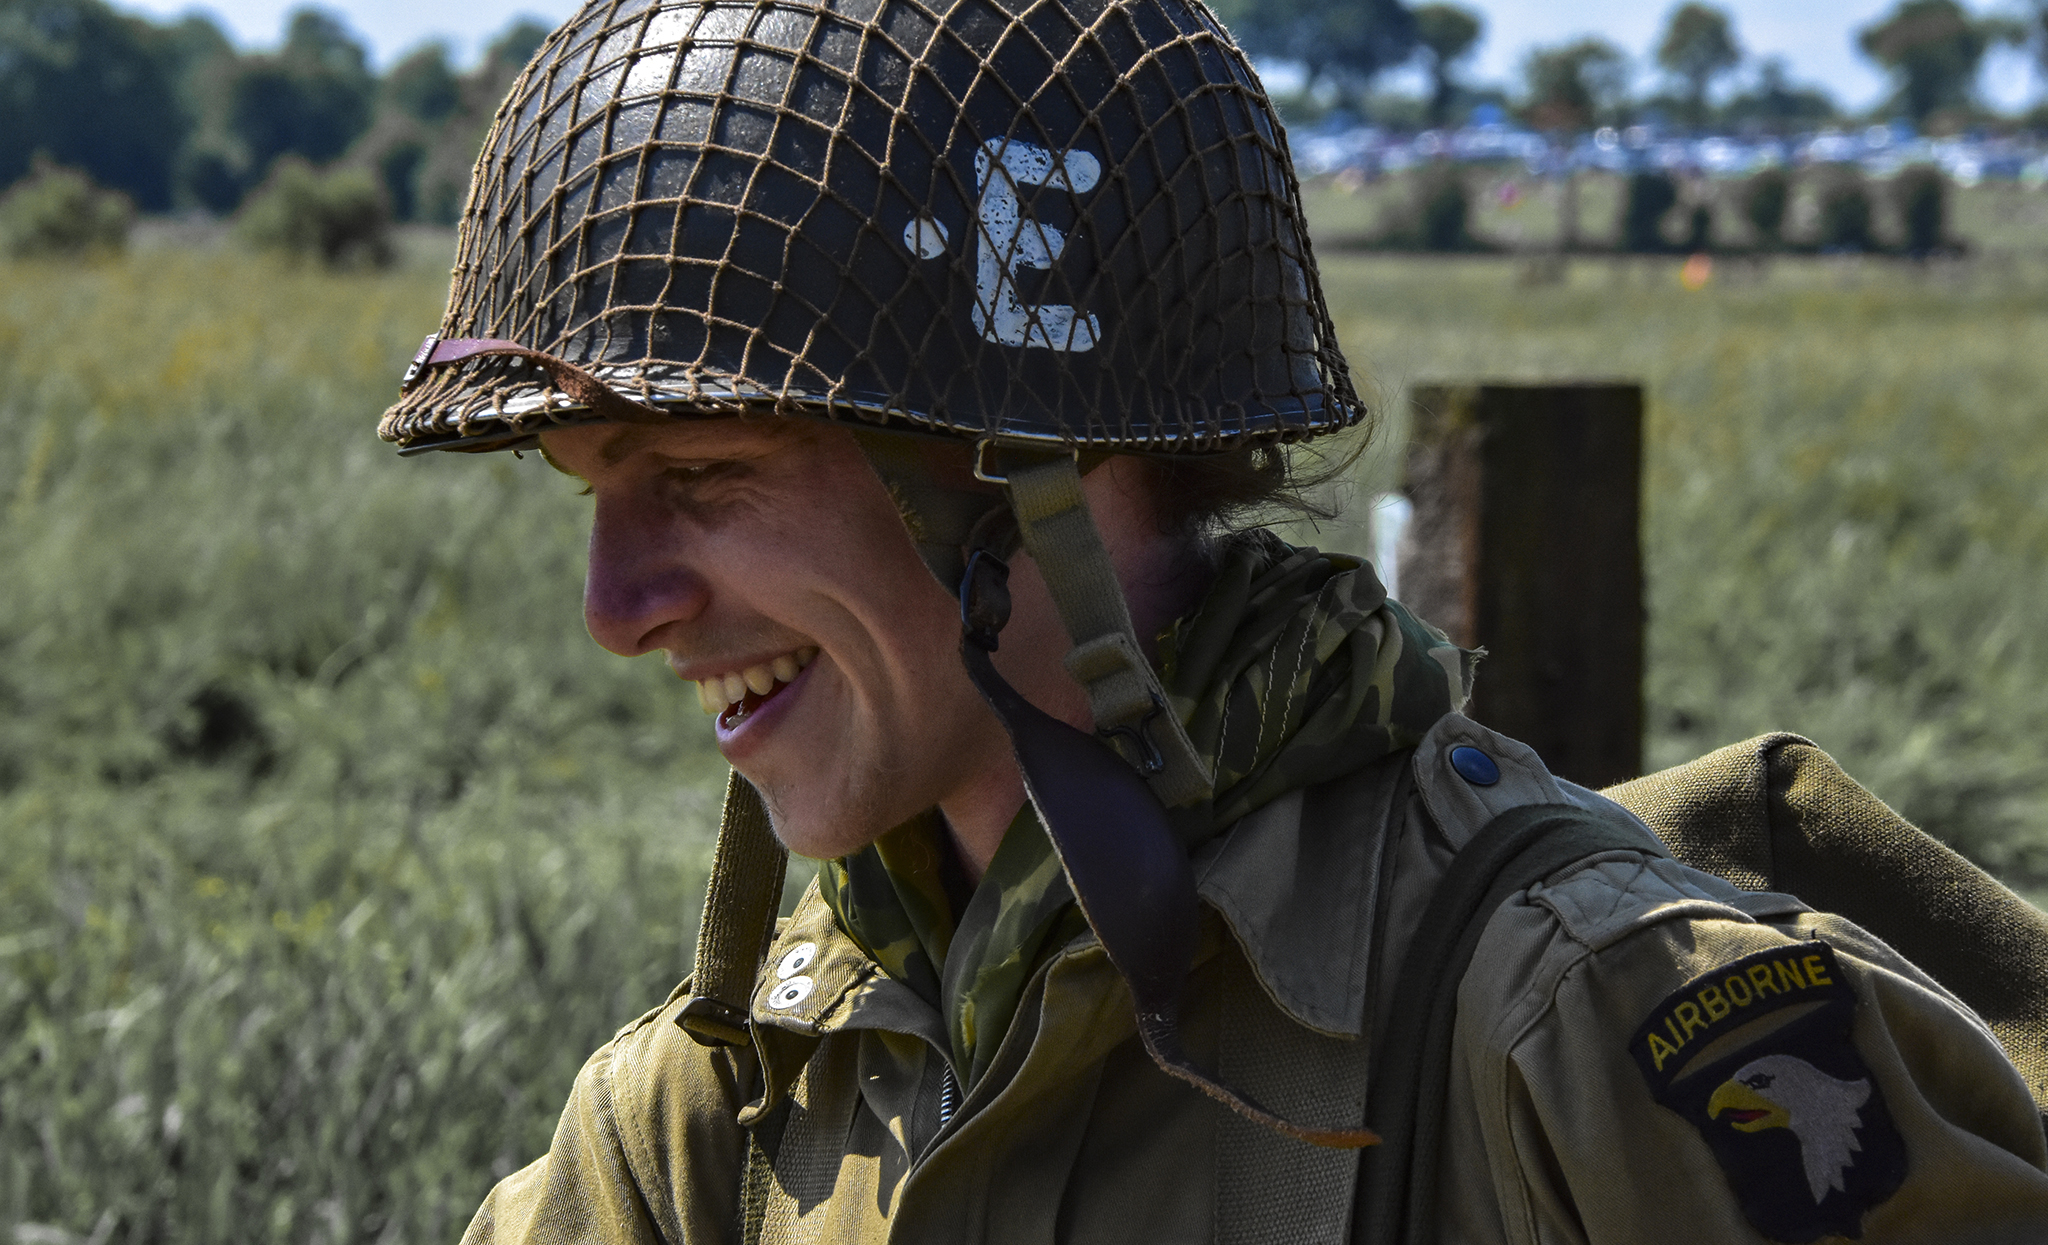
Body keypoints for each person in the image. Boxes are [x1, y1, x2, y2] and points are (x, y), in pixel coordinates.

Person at [379, 0, 2048, 1239]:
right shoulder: (714, 1122)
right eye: (586, 486)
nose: (618, 608)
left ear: (1031, 461)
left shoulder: (1576, 1045)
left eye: (704, 469)